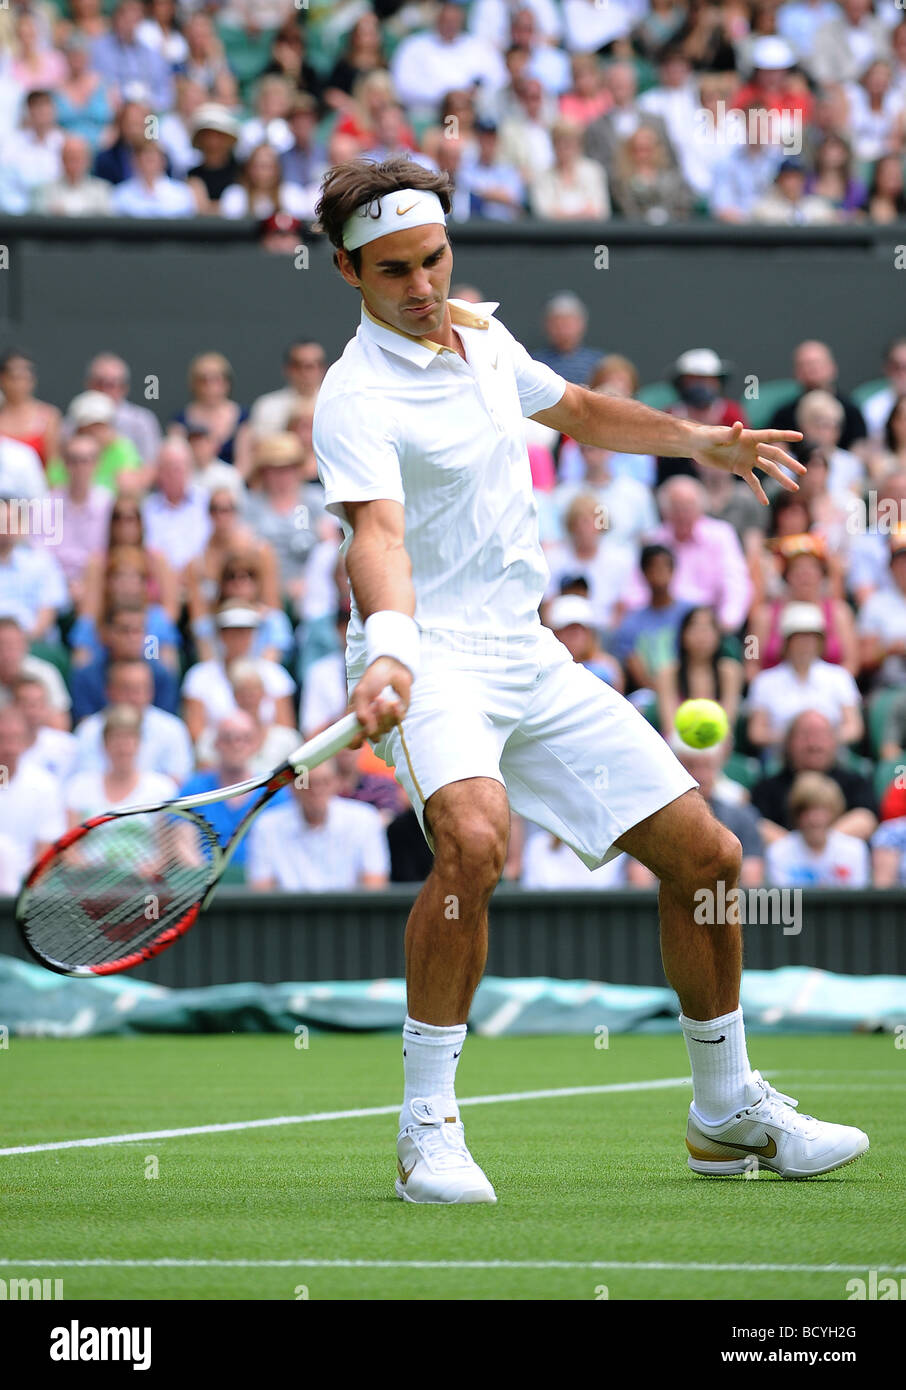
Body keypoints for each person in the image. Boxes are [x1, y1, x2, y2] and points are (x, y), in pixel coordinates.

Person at [312, 154, 864, 1203]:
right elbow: (375, 537)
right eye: (394, 272)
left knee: (708, 855)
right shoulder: (353, 396)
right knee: (475, 841)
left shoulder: (477, 333)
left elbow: (573, 408)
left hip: (527, 649)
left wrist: (695, 440)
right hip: (428, 657)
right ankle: (426, 1126)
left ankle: (724, 1109)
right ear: (350, 274)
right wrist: (386, 644)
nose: (423, 286)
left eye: (433, 259)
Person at [246, 758, 390, 890]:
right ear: (293, 787)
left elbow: (375, 887)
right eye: (307, 783)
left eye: (325, 782)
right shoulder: (266, 826)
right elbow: (262, 890)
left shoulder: (365, 820)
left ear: (337, 782)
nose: (317, 790)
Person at [750, 708, 877, 847]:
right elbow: (757, 825)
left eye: (821, 735)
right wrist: (795, 851)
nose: (813, 744)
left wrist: (819, 846)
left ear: (834, 742)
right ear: (788, 742)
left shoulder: (856, 783)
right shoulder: (766, 788)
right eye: (804, 736)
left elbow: (866, 820)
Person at [747, 603, 864, 753]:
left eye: (811, 638)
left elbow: (854, 728)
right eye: (799, 638)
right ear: (787, 642)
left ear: (820, 642)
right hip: (780, 757)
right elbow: (756, 732)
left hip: (832, 755)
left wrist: (822, 741)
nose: (805, 644)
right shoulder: (764, 681)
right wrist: (795, 741)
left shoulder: (840, 677)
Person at [180, 601, 295, 743]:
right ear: (220, 634)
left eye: (246, 630)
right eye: (231, 630)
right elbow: (195, 732)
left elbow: (285, 728)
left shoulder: (275, 674)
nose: (239, 637)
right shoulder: (199, 676)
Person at [177, 712, 278, 871]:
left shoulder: (274, 792)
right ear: (216, 743)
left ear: (256, 745)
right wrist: (205, 879)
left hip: (261, 885)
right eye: (228, 738)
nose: (236, 745)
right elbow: (181, 839)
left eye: (245, 739)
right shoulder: (194, 789)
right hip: (205, 882)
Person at [747, 534, 858, 678]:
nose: (804, 574)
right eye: (797, 568)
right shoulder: (763, 616)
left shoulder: (840, 613)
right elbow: (751, 664)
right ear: (786, 575)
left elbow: (852, 662)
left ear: (821, 574)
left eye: (811, 568)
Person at [73, 658, 192, 782]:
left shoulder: (173, 729)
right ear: (109, 691)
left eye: (142, 689)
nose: (135, 697)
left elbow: (179, 782)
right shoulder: (88, 730)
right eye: (127, 689)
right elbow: (85, 784)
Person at [66, 703, 177, 829]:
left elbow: (168, 844)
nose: (123, 748)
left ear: (139, 742)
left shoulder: (163, 789)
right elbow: (70, 845)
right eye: (116, 739)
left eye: (129, 739)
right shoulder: (79, 787)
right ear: (104, 743)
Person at [389, 1, 506, 122]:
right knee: (450, 126)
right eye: (446, 21)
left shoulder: (478, 46)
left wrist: (475, 93)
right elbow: (403, 85)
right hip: (429, 114)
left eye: (454, 21)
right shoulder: (414, 46)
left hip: (473, 113)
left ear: (462, 21)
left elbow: (498, 79)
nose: (450, 25)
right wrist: (445, 95)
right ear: (437, 20)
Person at [671, 737, 764, 886]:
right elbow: (640, 875)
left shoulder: (743, 816)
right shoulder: (658, 819)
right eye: (691, 766)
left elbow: (752, 876)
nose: (700, 775)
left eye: (707, 766)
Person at [69, 598, 180, 722]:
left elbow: (166, 723)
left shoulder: (160, 675)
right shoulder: (86, 677)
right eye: (124, 630)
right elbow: (85, 725)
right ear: (106, 633)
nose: (132, 638)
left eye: (138, 630)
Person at [764, 772, 870, 887]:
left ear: (833, 811)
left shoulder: (855, 850)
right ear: (796, 814)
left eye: (821, 810)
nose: (814, 819)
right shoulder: (778, 851)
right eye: (807, 811)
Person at [0, 703, 65, 890]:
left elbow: (46, 848)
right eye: (3, 738)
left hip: (27, 887)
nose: (10, 748)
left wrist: (29, 889)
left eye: (15, 738)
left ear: (24, 741)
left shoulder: (45, 785)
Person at [654, 604, 744, 738]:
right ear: (683, 635)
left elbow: (727, 723)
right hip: (677, 746)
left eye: (707, 628)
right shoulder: (667, 673)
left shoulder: (730, 671)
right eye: (695, 628)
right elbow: (669, 726)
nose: (701, 635)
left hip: (717, 745)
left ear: (718, 635)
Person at [769, 340, 867, 450]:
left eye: (815, 364)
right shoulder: (783, 415)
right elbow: (776, 451)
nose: (809, 370)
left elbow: (860, 451)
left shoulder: (851, 411)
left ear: (832, 367)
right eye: (803, 365)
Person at [141, 437, 211, 575]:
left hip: (203, 582)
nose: (175, 473)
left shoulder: (207, 503)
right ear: (159, 472)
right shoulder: (146, 509)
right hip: (159, 586)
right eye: (168, 467)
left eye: (180, 467)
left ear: (190, 469)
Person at [170, 352, 250, 473]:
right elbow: (176, 462)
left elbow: (245, 463)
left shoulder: (243, 418)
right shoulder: (180, 422)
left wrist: (228, 485)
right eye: (204, 380)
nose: (210, 386)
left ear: (227, 382)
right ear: (194, 383)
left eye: (217, 379)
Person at [88, 0, 173, 114]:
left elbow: (165, 94)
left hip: (147, 112)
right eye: (125, 18)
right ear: (115, 19)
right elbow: (93, 86)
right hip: (112, 113)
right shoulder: (98, 49)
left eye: (134, 19)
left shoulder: (152, 54)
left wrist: (150, 103)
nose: (129, 24)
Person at [609, 124, 693, 223]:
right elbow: (627, 209)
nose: (643, 155)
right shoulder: (621, 181)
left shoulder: (673, 178)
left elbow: (683, 206)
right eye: (638, 149)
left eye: (647, 149)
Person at [857, 534, 906, 690]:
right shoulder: (875, 604)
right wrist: (889, 649)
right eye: (901, 563)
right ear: (891, 568)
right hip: (890, 687)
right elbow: (864, 658)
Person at [545, 592, 622, 690]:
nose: (575, 637)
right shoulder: (547, 667)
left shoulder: (607, 666)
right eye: (569, 630)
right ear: (556, 634)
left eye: (580, 630)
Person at [219, 142, 313, 223]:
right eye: (257, 166)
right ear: (248, 169)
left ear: (277, 169)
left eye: (267, 167)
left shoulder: (292, 194)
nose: (262, 173)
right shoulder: (235, 195)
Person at [249, 340, 326, 438]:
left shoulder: (334, 405)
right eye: (298, 365)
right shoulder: (267, 406)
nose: (306, 372)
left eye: (314, 365)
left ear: (324, 368)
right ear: (287, 369)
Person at [14, 673, 79, 783]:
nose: (32, 710)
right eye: (26, 703)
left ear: (46, 706)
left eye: (37, 703)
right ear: (14, 706)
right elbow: (3, 788)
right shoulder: (4, 748)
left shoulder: (68, 746)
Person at [0, 350, 60, 469]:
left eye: (26, 377)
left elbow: (54, 465)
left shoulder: (48, 417)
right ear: (2, 379)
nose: (21, 384)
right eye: (15, 377)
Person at [54, 34, 114, 151]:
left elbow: (116, 122)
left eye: (80, 55)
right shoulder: (55, 89)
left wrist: (108, 139)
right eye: (73, 55)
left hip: (101, 150)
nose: (77, 59)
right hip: (68, 153)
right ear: (66, 57)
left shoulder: (105, 86)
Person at [34, 132, 114, 215]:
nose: (74, 163)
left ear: (88, 161)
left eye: (79, 158)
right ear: (62, 160)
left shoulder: (102, 191)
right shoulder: (45, 191)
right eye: (70, 158)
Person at [111, 141, 196, 218]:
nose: (149, 164)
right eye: (145, 159)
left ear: (163, 161)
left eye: (152, 159)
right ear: (135, 162)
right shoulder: (120, 194)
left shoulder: (182, 193)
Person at [534, 292, 603, 384]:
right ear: (547, 325)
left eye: (568, 323)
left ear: (581, 324)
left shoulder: (599, 363)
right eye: (557, 323)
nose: (562, 328)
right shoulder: (535, 363)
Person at [187, 103, 242, 213]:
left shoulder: (242, 173)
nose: (213, 143)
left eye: (219, 136)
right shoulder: (192, 175)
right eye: (207, 136)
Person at [751, 157, 838, 225]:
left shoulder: (819, 206)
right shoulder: (764, 209)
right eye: (788, 178)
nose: (792, 183)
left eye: (796, 178)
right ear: (779, 181)